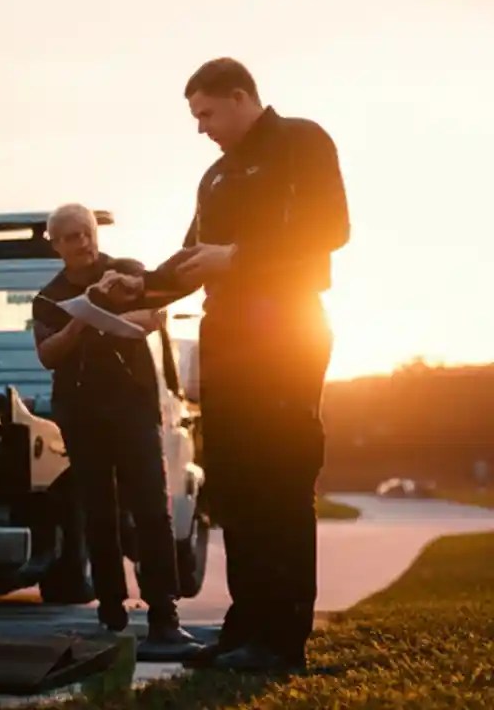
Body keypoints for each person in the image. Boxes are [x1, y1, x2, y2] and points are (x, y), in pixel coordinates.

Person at [95, 57, 350, 672]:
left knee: (280, 479)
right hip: (226, 336)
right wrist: (136, 288)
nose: (201, 127)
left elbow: (331, 228)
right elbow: (190, 260)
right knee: (235, 484)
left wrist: (236, 257)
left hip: (287, 325)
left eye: (207, 113)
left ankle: (281, 641)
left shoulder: (302, 141)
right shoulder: (213, 177)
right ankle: (243, 631)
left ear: (241, 97)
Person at [31, 203, 202, 658]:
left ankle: (164, 615)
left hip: (132, 405)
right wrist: (80, 322)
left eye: (86, 233)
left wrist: (114, 314)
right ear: (56, 245)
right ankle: (110, 611)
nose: (82, 243)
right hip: (80, 412)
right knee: (98, 511)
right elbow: (47, 353)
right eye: (70, 237)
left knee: (151, 505)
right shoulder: (47, 297)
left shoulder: (125, 272)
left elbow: (156, 316)